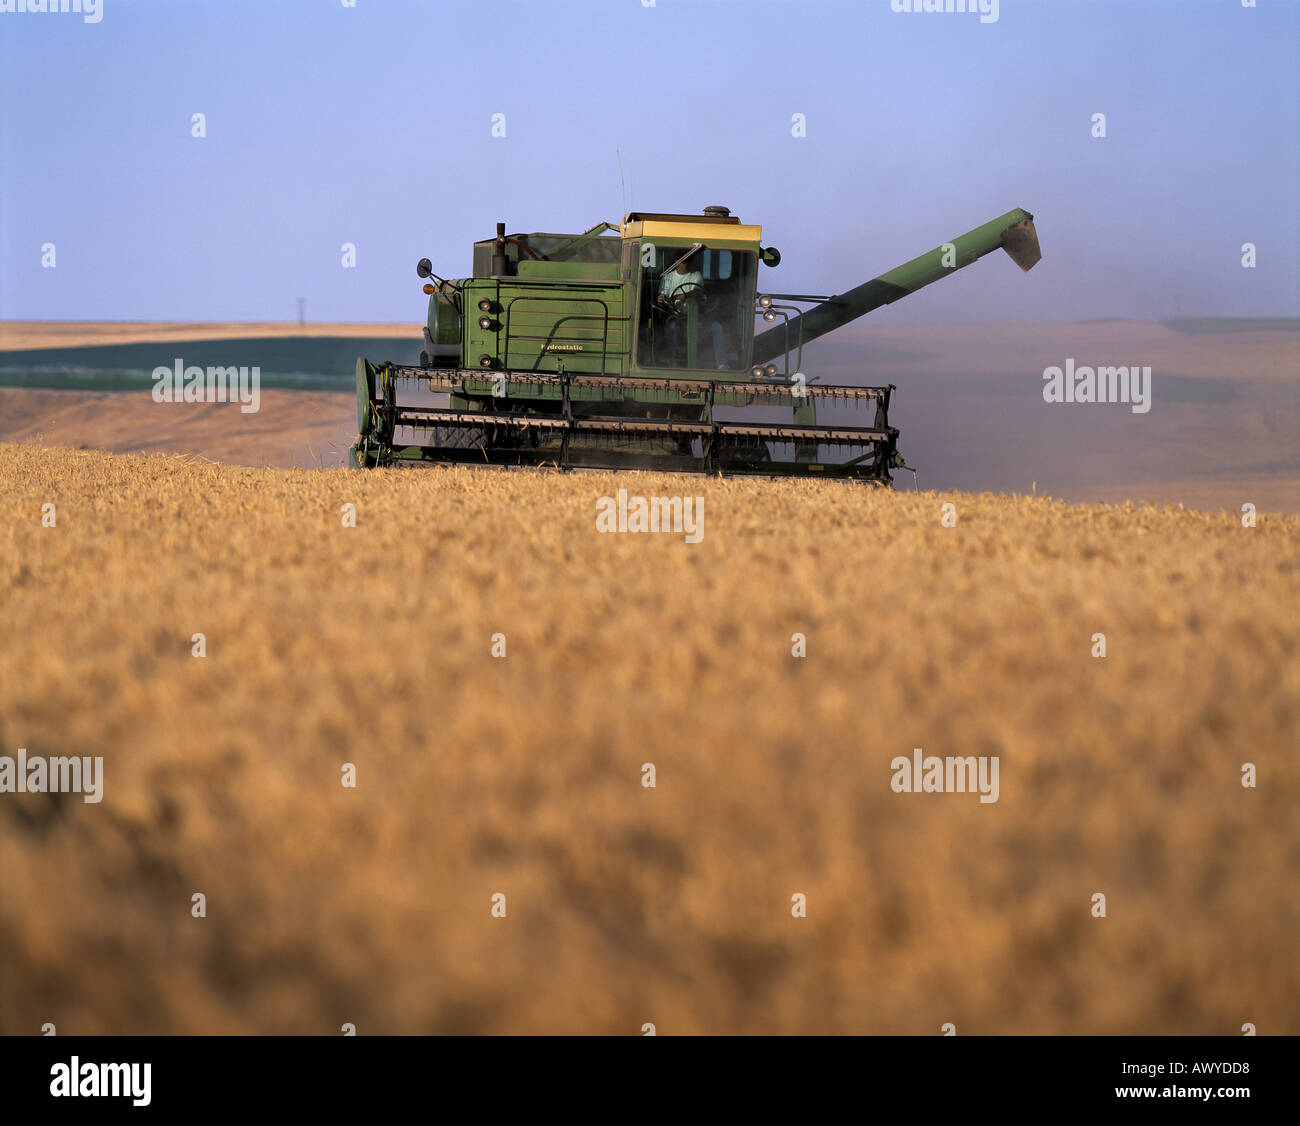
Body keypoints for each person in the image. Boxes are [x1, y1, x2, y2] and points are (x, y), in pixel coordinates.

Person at [655, 250, 735, 369]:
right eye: (682, 260)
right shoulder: (668, 278)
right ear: (676, 260)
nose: (684, 263)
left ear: (691, 262)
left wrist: (685, 295)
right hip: (676, 315)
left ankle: (721, 363)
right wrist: (661, 298)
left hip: (696, 316)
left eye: (687, 260)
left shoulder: (696, 275)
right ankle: (673, 361)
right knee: (672, 327)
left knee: (716, 327)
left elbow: (698, 290)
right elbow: (662, 296)